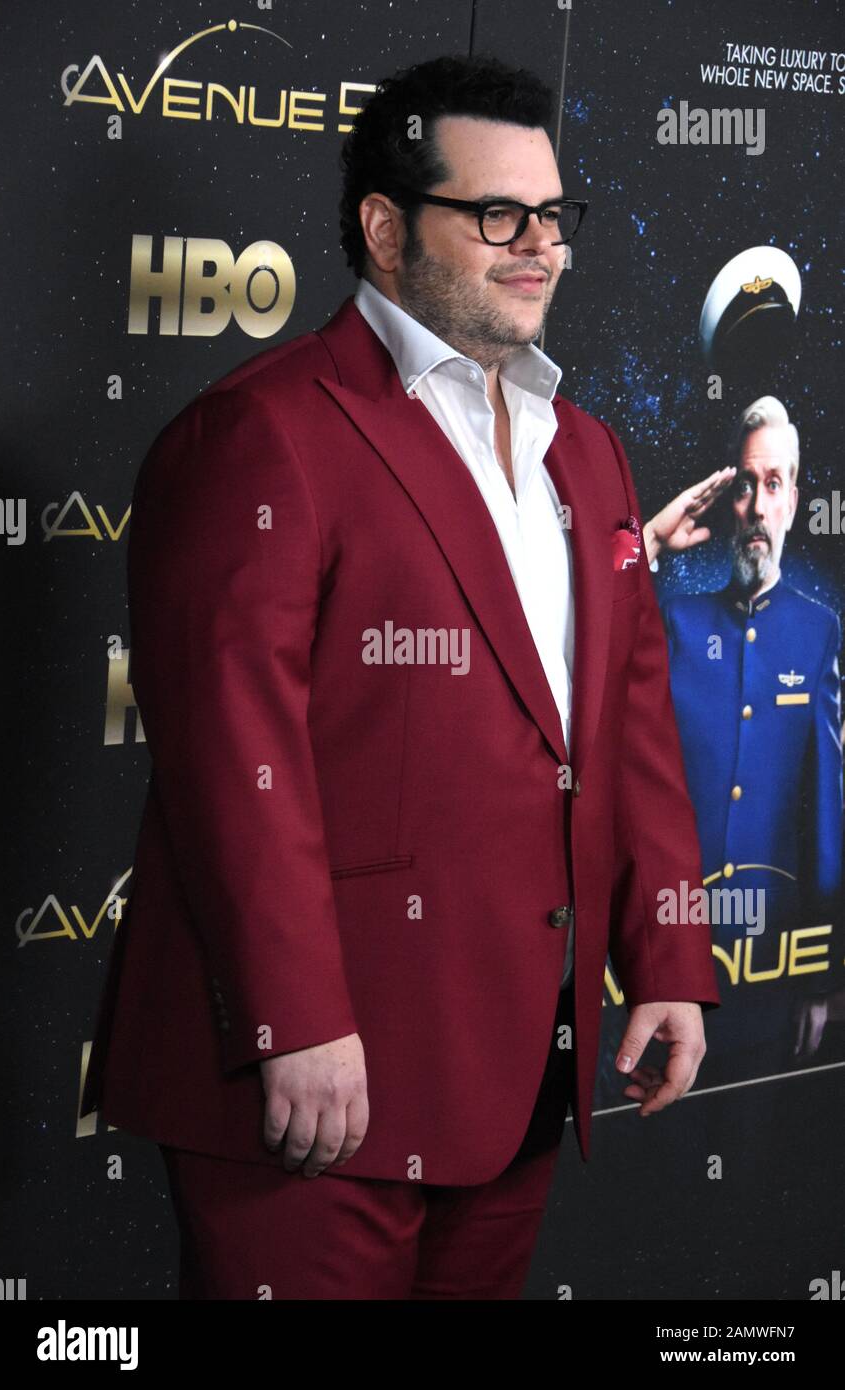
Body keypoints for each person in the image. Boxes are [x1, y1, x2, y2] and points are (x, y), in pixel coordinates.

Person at [81, 53, 719, 1301]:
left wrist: (674, 957)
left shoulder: (586, 454)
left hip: (518, 1067)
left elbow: (630, 731)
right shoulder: (261, 433)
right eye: (495, 215)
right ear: (384, 227)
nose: (537, 245)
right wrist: (295, 1021)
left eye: (551, 216)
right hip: (316, 1083)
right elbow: (228, 762)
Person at [659, 397, 843, 1085]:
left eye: (774, 484)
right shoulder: (675, 621)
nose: (759, 505)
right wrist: (646, 547)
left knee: (750, 1154)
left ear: (793, 501)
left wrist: (820, 977)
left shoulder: (818, 630)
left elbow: (823, 814)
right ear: (729, 500)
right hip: (673, 963)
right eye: (745, 484)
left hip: (773, 964)